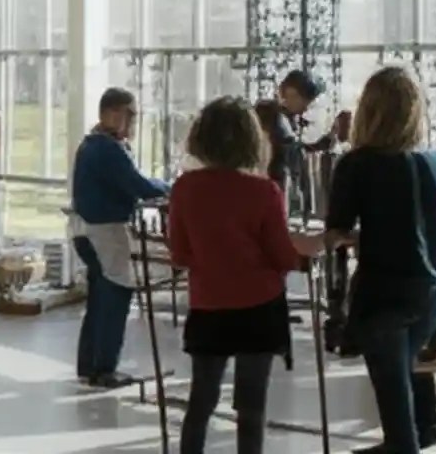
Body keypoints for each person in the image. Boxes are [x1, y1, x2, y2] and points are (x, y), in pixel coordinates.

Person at [169, 97, 323, 454]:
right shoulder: (264, 191)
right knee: (252, 407)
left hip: (208, 305)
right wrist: (304, 254)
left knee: (200, 402)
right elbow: (282, 256)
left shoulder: (184, 189)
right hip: (258, 307)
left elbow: (179, 255)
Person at [325, 67, 436, 453]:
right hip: (432, 292)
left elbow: (337, 234)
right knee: (413, 383)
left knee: (395, 412)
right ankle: (417, 434)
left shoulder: (357, 164)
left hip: (384, 297)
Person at [70, 87, 169, 388]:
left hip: (84, 229)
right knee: (116, 295)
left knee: (99, 296)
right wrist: (172, 187)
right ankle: (105, 368)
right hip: (105, 230)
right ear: (113, 114)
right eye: (131, 115)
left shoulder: (91, 144)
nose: (134, 123)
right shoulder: (108, 149)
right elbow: (138, 185)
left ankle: (89, 365)